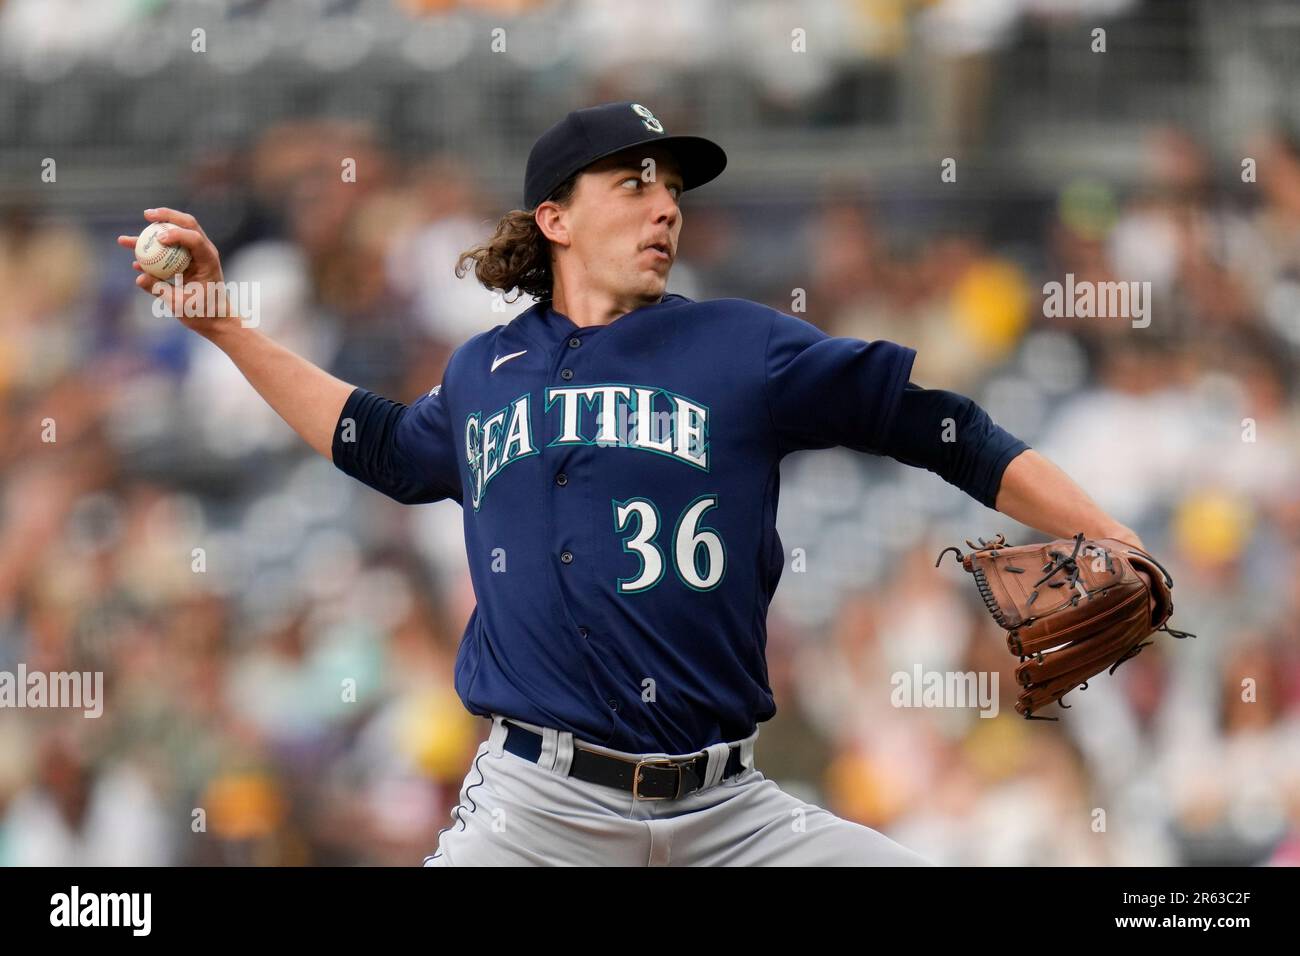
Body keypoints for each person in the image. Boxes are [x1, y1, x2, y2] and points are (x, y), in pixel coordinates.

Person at [119, 101, 1151, 866]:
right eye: (634, 184)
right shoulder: (488, 372)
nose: (665, 205)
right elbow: (381, 447)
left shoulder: (740, 347)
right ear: (556, 219)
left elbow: (944, 427)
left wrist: (1108, 532)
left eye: (670, 188)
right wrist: (223, 324)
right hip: (538, 811)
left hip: (730, 813)